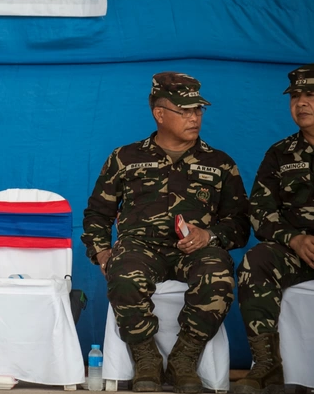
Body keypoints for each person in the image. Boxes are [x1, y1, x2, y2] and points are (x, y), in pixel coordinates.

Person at [82, 73, 249, 394]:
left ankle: (183, 360)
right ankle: (145, 360)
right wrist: (102, 251)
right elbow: (97, 214)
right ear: (160, 113)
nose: (194, 117)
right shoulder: (125, 158)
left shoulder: (220, 164)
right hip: (140, 249)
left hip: (196, 253)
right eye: (185, 110)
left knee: (219, 272)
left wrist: (209, 236)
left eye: (198, 110)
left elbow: (240, 224)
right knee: (124, 270)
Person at [233, 65, 314, 394]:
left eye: (310, 95)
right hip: (298, 252)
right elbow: (260, 212)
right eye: (295, 96)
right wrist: (293, 239)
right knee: (257, 259)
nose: (301, 103)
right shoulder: (280, 154)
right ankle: (268, 364)